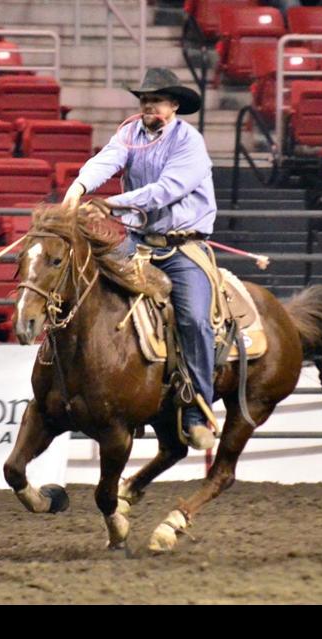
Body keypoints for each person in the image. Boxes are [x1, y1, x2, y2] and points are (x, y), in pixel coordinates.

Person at [65, 68, 222, 451]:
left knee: (194, 320)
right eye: (144, 99)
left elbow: (165, 191)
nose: (148, 104)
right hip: (139, 241)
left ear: (174, 105)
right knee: (94, 295)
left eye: (157, 99)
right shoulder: (130, 134)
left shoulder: (190, 142)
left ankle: (198, 409)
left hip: (183, 247)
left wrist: (111, 202)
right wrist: (79, 187)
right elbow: (107, 159)